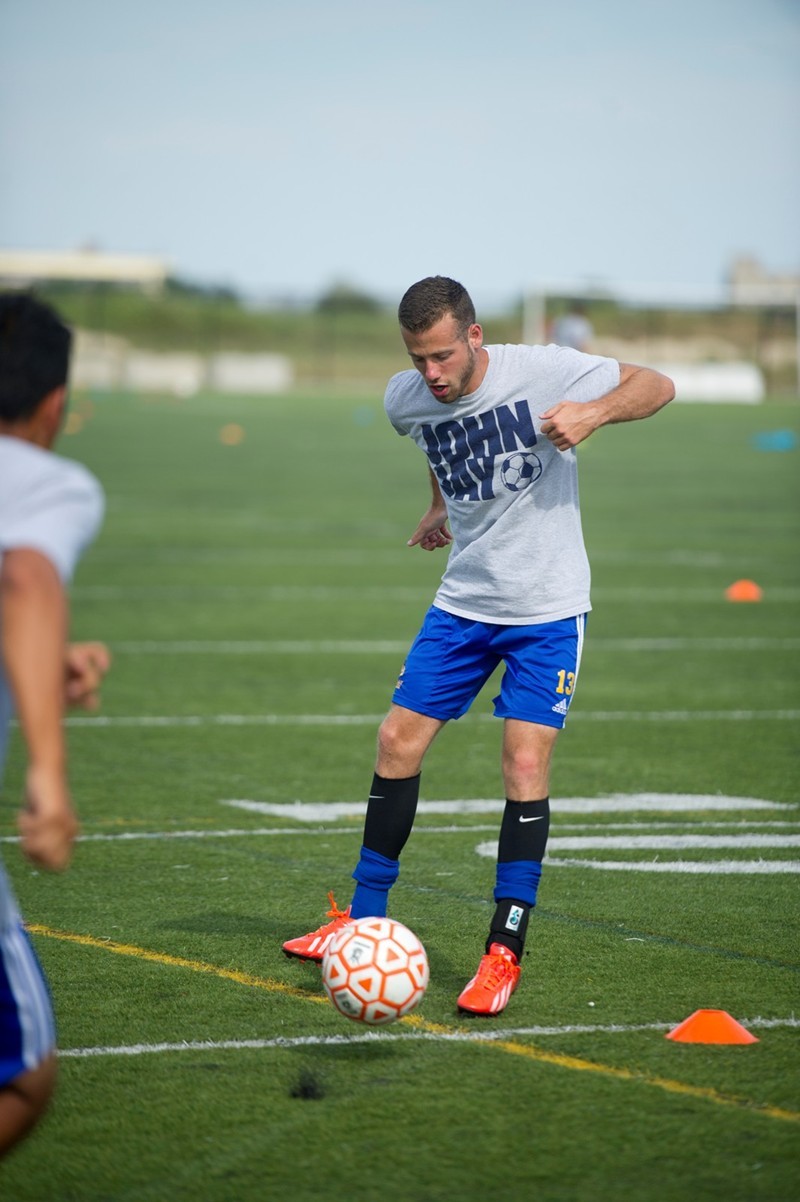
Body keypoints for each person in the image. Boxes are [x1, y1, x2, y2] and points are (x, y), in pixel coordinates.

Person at [283, 276, 674, 1015]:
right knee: (397, 742)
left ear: (474, 337)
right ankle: (362, 923)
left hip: (547, 609)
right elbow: (432, 438)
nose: (430, 374)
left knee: (523, 763)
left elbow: (658, 384)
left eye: (441, 356)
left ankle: (503, 952)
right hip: (464, 603)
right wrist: (438, 503)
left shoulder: (547, 369)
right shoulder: (405, 399)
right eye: (417, 358)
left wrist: (592, 413)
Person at [0, 293, 109, 1159]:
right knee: (22, 1076)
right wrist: (49, 774)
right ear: (54, 406)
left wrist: (39, 666)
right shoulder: (45, 480)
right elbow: (25, 580)